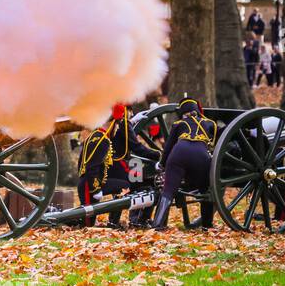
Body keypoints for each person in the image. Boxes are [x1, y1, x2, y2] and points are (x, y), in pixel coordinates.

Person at [77, 103, 161, 228]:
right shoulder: (102, 139)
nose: (119, 127)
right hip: (92, 182)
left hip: (98, 177)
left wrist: (131, 122)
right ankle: (136, 220)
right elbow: (91, 167)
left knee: (123, 186)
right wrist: (96, 190)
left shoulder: (98, 135)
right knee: (85, 224)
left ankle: (116, 221)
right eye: (118, 124)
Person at [149, 97, 217, 230]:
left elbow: (168, 148)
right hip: (200, 156)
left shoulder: (178, 124)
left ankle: (157, 225)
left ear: (183, 112)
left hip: (178, 154)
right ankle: (207, 226)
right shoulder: (210, 124)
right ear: (197, 110)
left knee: (168, 191)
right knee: (205, 191)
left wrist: (161, 164)